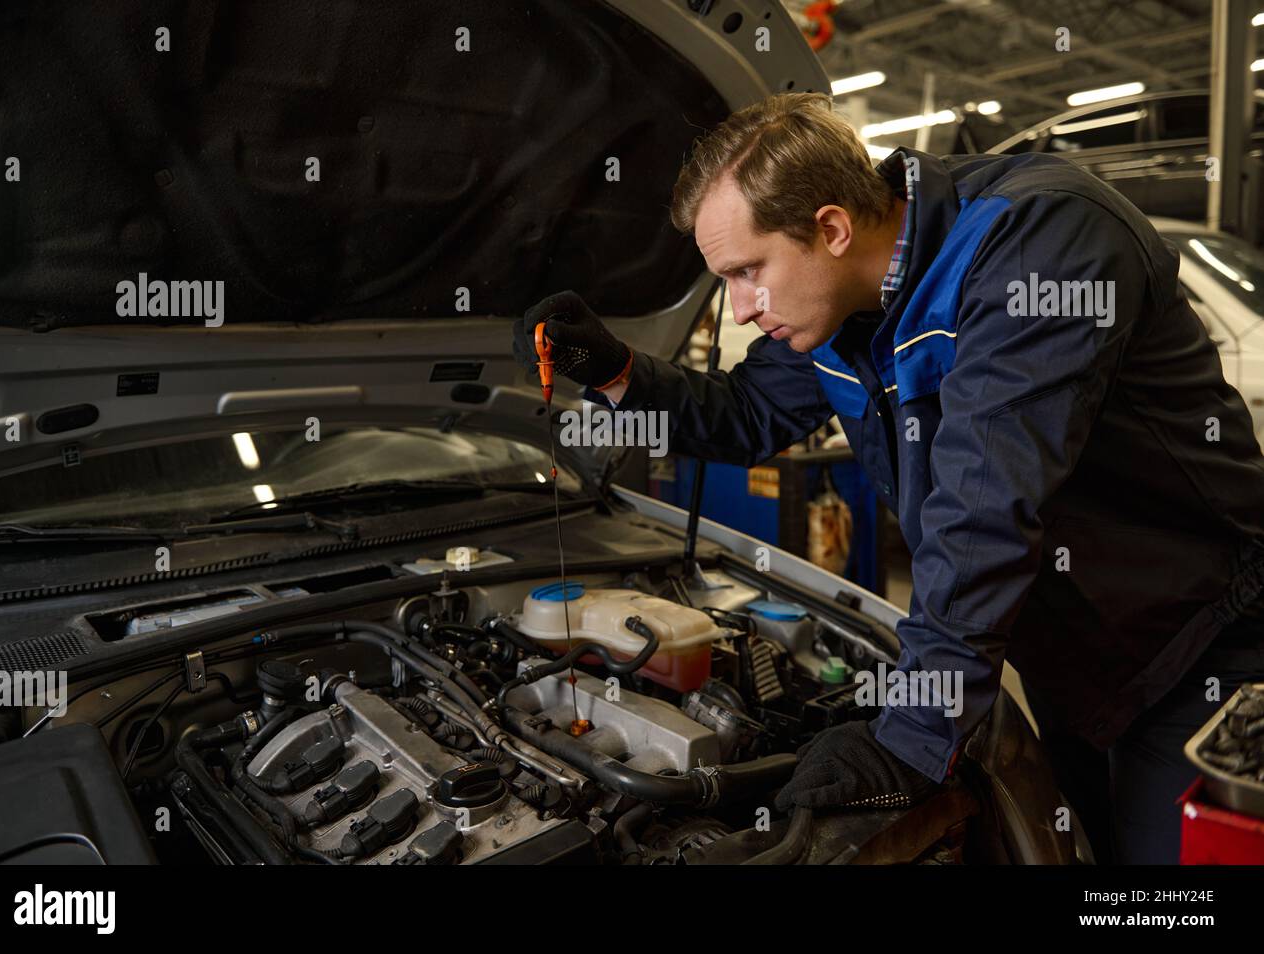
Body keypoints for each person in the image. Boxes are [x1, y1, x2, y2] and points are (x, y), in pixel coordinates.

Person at [512, 92, 1264, 864]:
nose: (739, 310)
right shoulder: (839, 310)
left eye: (747, 272)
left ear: (832, 228)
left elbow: (983, 516)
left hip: (1195, 648)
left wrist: (906, 739)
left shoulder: (1036, 244)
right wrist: (615, 373)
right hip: (1066, 655)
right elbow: (743, 413)